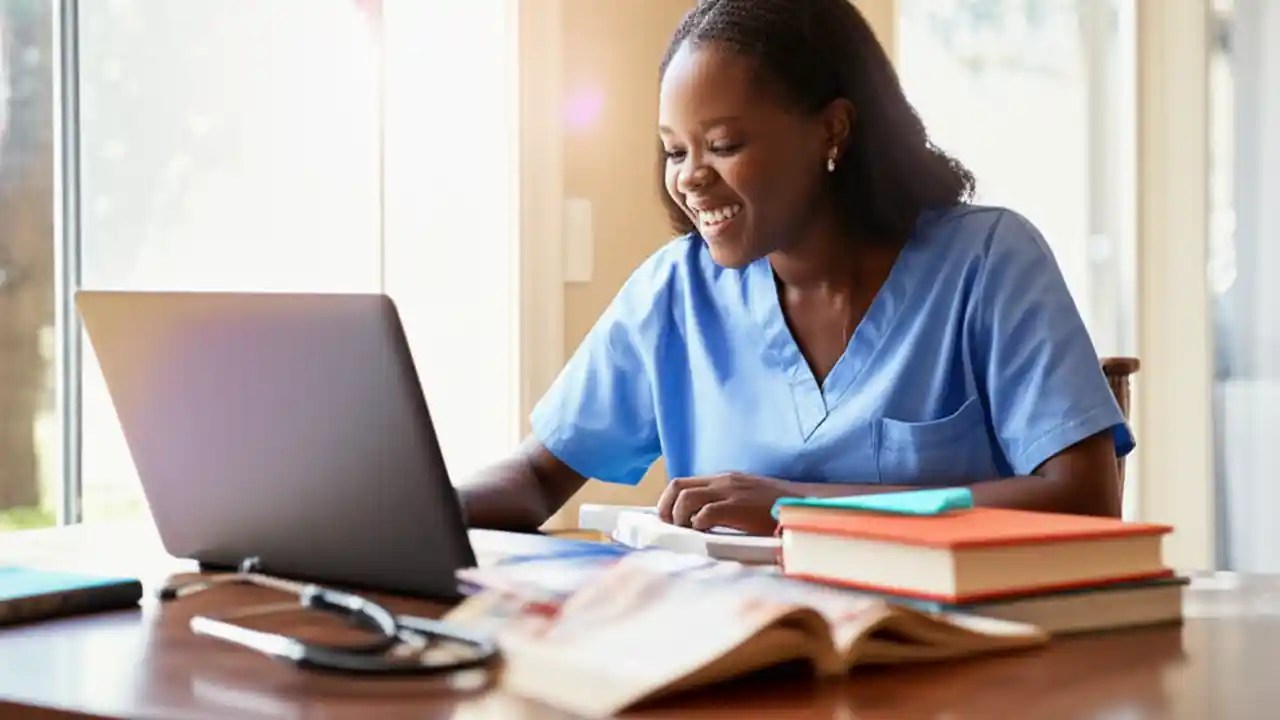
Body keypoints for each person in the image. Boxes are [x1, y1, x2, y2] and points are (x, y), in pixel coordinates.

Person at [459, 0, 1134, 535]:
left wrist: (796, 506)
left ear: (831, 131)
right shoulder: (676, 292)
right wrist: (386, 516)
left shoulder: (988, 262)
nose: (690, 178)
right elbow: (536, 477)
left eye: (723, 144)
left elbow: (1081, 499)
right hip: (744, 665)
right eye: (673, 150)